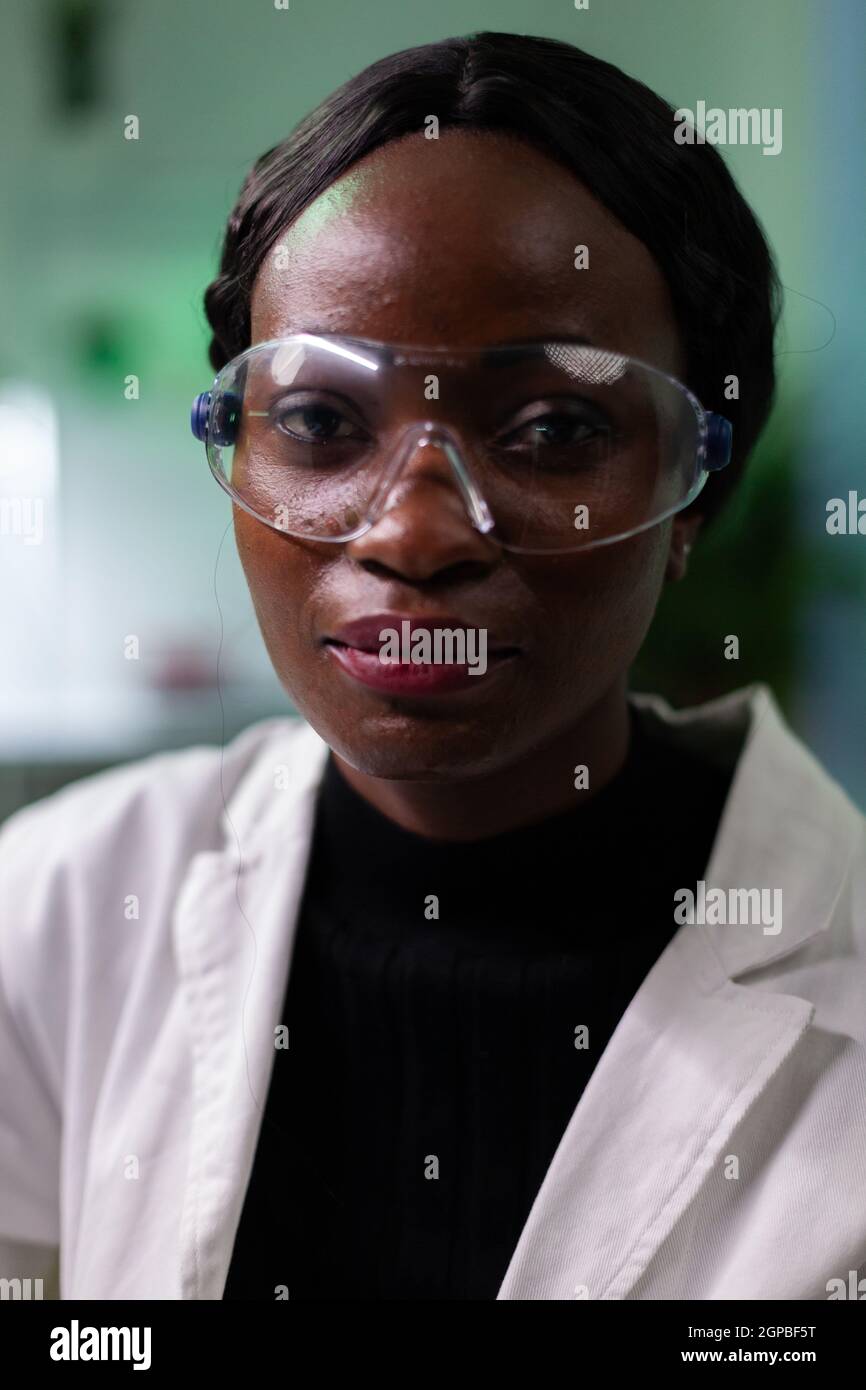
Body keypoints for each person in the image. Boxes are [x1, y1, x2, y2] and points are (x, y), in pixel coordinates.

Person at [1, 31, 864, 1303]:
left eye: (555, 428)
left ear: (690, 497)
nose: (411, 530)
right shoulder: (57, 911)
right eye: (318, 421)